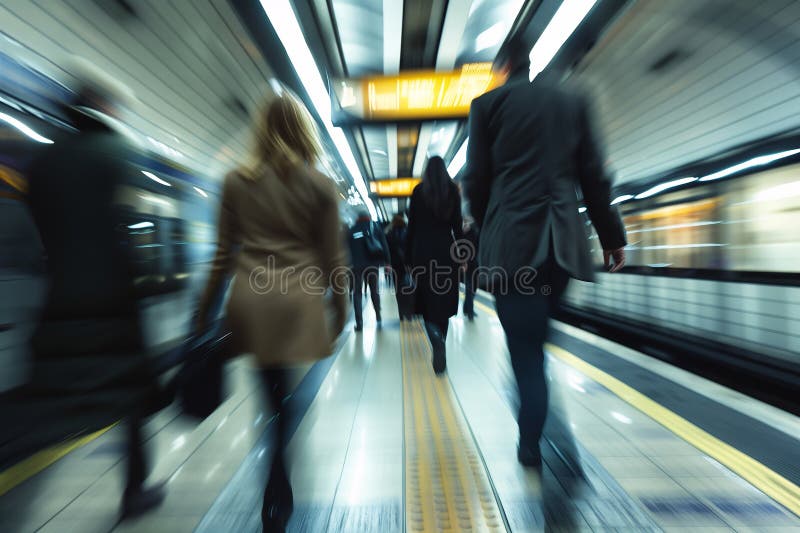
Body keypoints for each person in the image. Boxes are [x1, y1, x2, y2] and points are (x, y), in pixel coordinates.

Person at [463, 35, 626, 471]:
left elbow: (476, 179)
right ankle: (537, 420)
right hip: (562, 244)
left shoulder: (486, 105)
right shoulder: (573, 100)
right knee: (537, 340)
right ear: (530, 61)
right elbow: (594, 176)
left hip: (512, 243)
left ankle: (531, 439)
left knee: (525, 348)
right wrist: (612, 236)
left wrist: (490, 221)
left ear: (503, 66)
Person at [195, 90, 348, 531]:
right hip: (299, 302)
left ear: (260, 131)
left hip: (252, 301)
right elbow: (333, 258)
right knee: (288, 396)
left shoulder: (235, 181)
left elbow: (222, 256)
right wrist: (341, 309)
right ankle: (278, 482)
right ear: (304, 131)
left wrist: (201, 315)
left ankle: (274, 484)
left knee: (269, 393)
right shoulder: (321, 186)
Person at [24, 63, 166, 517]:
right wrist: (142, 280)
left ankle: (21, 508)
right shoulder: (121, 153)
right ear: (104, 105)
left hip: (58, 303)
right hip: (113, 305)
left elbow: (36, 237)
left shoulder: (44, 161)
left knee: (51, 407)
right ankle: (135, 490)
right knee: (132, 401)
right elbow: (136, 232)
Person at [406, 156, 462, 374]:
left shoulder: (418, 191)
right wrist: (463, 256)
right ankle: (442, 341)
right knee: (444, 304)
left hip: (422, 253)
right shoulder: (453, 190)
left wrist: (408, 259)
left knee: (426, 303)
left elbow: (411, 228)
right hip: (446, 253)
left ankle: (436, 340)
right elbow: (457, 227)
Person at [348, 210, 390, 331]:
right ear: (369, 217)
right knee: (374, 290)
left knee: (357, 293)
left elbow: (347, 249)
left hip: (356, 266)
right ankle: (378, 316)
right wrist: (387, 263)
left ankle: (359, 323)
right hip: (373, 265)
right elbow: (384, 245)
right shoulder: (375, 227)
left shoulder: (352, 230)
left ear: (357, 218)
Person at [385, 212, 411, 319]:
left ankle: (401, 313)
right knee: (409, 287)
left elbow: (386, 251)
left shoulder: (388, 234)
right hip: (408, 265)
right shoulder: (409, 232)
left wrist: (387, 264)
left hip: (395, 265)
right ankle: (409, 312)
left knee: (398, 289)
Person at [461, 216, 479, 321]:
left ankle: (466, 308)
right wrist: (463, 262)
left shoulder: (476, 229)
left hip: (476, 263)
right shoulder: (463, 232)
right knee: (469, 287)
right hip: (467, 263)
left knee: (474, 287)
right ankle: (470, 311)